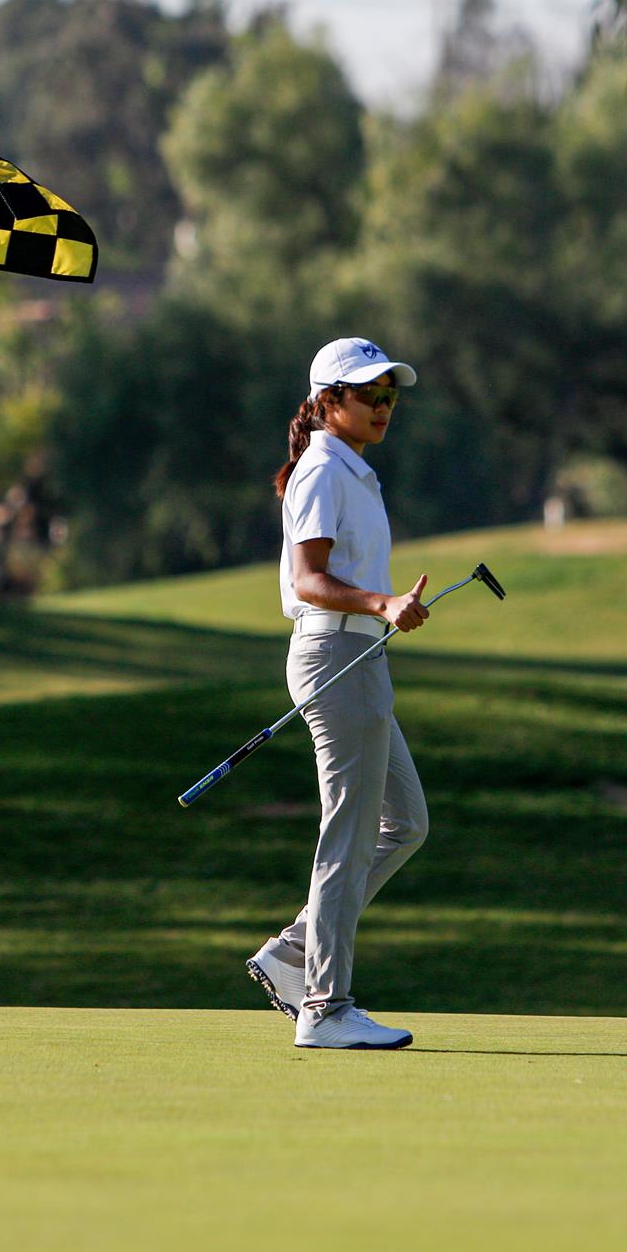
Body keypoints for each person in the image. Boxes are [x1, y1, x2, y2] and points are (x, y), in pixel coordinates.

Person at [246, 337, 432, 1050]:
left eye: (391, 396)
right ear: (329, 403)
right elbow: (308, 580)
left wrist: (382, 611)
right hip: (336, 653)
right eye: (370, 395)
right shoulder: (323, 467)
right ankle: (324, 1004)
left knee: (404, 821)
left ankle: (294, 952)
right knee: (348, 832)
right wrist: (383, 602)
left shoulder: (350, 468)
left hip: (360, 655)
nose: (384, 407)